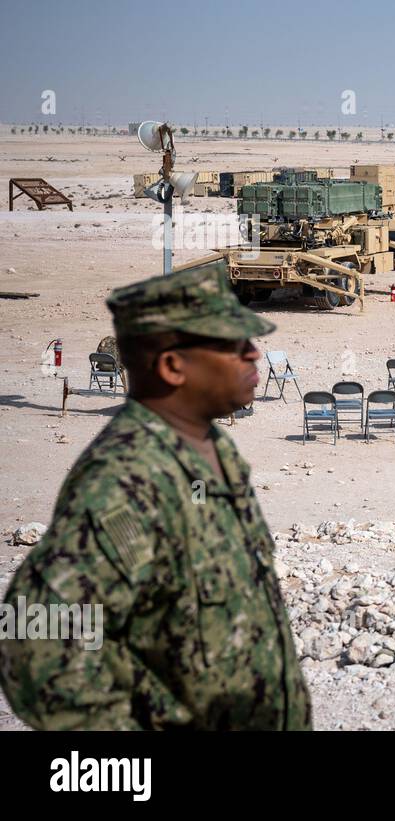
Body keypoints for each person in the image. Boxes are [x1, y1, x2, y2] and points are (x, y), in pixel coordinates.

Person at [0, 260, 311, 730]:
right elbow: (32, 641)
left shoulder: (212, 451)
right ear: (172, 366)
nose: (254, 357)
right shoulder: (128, 479)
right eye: (233, 347)